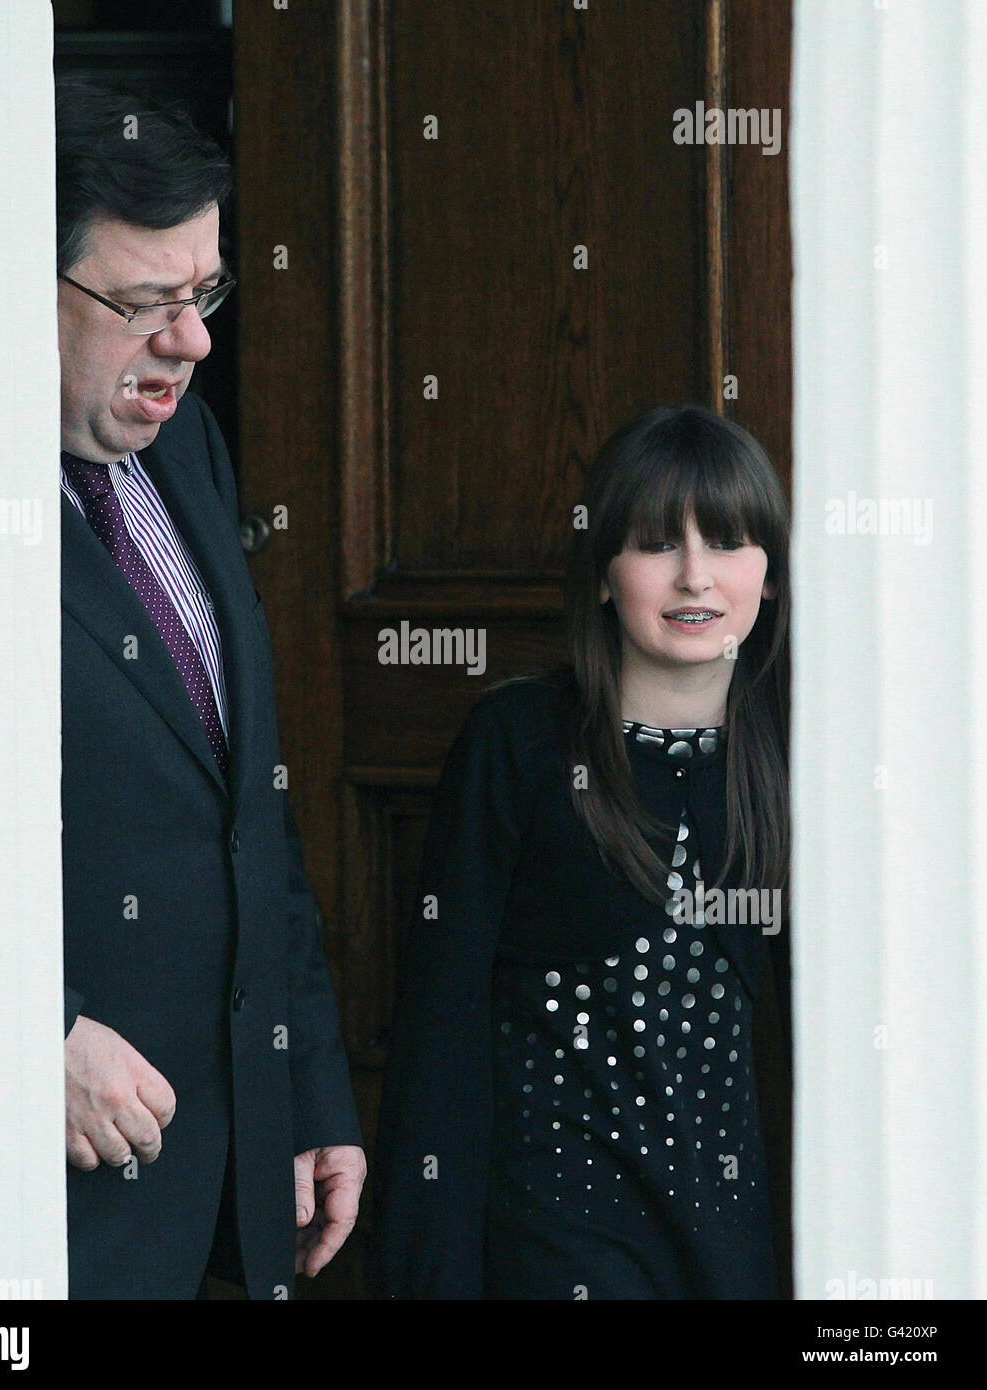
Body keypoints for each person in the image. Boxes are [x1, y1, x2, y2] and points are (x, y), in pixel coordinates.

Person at [55, 75, 365, 1299]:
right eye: (144, 304)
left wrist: (303, 1085)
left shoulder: (184, 440)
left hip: (227, 1187)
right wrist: (31, 1034)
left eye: (203, 294)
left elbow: (246, 800)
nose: (192, 344)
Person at [371, 404, 792, 1299]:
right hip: (554, 1234)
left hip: (733, 1238)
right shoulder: (517, 742)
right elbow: (440, 1028)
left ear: (770, 572)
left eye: (724, 543)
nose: (693, 578)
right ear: (603, 574)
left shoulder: (799, 755)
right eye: (653, 545)